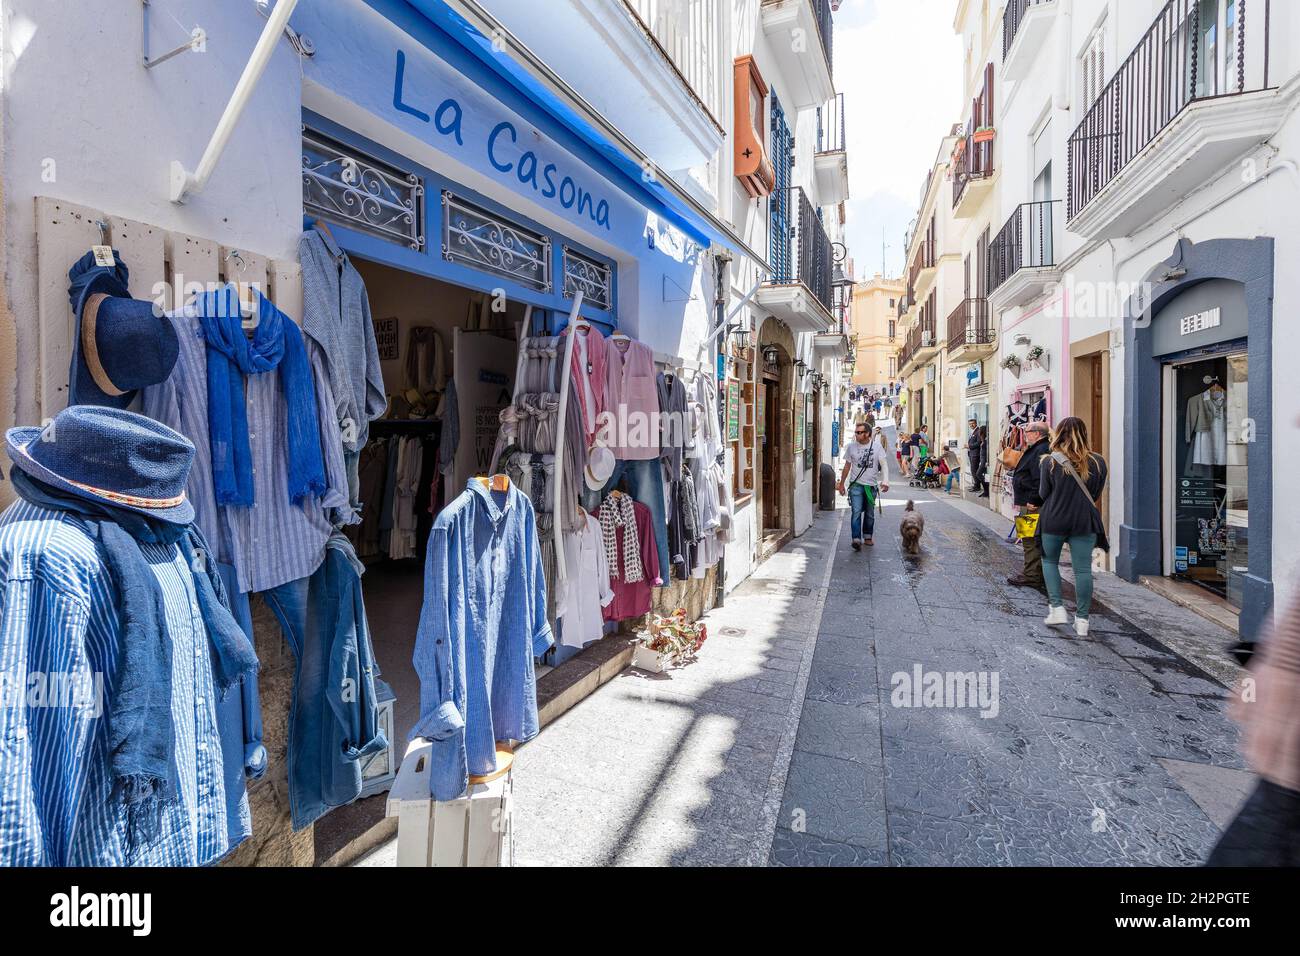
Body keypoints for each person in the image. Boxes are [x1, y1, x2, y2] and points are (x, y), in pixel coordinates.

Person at [1038, 417, 1108, 637]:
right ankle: (1083, 620)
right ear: (1084, 434)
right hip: (1084, 521)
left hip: (1054, 519)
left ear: (1058, 434)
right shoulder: (1098, 462)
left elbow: (1043, 494)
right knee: (1083, 570)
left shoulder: (1050, 462)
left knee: (1049, 562)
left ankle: (1057, 608)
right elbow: (1095, 494)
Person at [1008, 420, 1051, 588]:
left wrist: (1034, 499)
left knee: (1029, 539)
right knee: (1028, 538)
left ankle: (1032, 575)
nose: (1025, 436)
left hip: (1031, 504)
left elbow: (1039, 478)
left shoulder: (1041, 449)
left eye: (1027, 432)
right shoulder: (1039, 448)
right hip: (1028, 501)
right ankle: (1032, 572)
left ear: (1037, 433)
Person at [837, 422, 890, 550]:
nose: (856, 435)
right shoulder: (851, 447)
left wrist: (885, 481)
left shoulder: (877, 447)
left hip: (871, 486)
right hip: (856, 485)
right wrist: (841, 484)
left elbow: (883, 464)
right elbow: (847, 466)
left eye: (860, 432)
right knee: (856, 512)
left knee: (870, 513)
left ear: (867, 434)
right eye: (856, 432)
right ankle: (856, 538)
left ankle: (867, 536)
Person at [966, 419, 981, 492]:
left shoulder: (978, 431)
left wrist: (969, 446)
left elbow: (978, 443)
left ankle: (977, 486)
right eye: (970, 424)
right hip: (972, 454)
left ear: (976, 423)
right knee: (973, 470)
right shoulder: (973, 431)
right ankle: (976, 485)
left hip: (975, 454)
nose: (971, 425)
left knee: (974, 470)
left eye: (973, 423)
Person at [975, 425, 990, 497]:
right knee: (980, 475)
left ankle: (987, 490)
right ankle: (986, 490)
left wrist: (986, 462)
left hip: (984, 461)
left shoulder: (986, 441)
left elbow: (988, 452)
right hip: (982, 460)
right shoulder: (983, 440)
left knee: (978, 474)